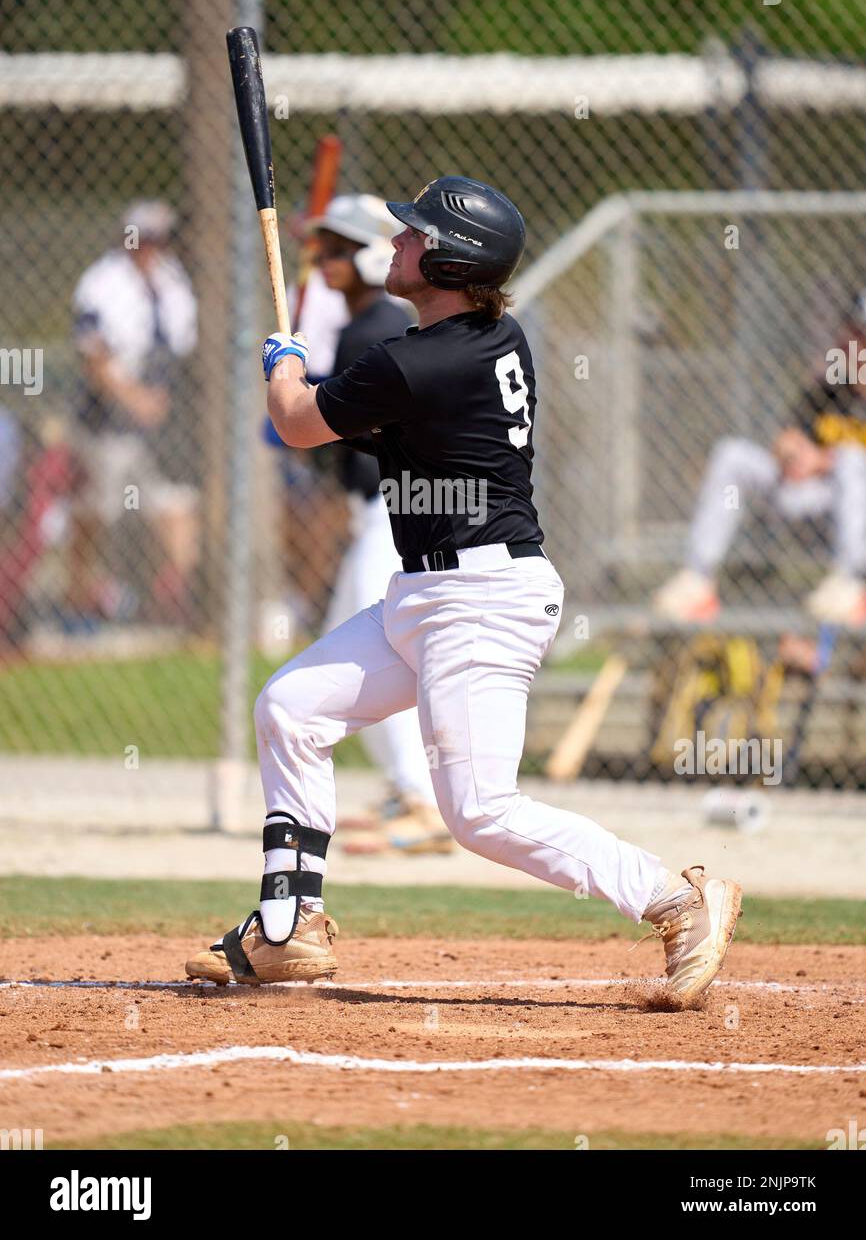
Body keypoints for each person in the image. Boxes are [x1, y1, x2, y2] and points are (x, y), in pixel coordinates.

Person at [187, 175, 741, 1006]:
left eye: (413, 237)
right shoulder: (482, 338)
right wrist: (317, 371)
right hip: (428, 596)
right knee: (291, 708)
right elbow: (382, 430)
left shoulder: (426, 358)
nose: (397, 245)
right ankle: (288, 925)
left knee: (479, 813)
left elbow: (295, 424)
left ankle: (676, 899)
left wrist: (287, 363)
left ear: (449, 258)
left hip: (480, 603)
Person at [310, 193, 454, 855]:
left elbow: (335, 425)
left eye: (339, 249)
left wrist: (297, 393)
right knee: (343, 648)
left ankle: (424, 802)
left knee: (370, 654)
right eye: (324, 248)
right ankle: (408, 789)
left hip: (396, 514)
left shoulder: (374, 329)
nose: (325, 260)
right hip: (379, 510)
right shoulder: (361, 324)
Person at [655, 297, 866, 626]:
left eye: (861, 336)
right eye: (853, 333)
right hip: (805, 501)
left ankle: (852, 584)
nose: (854, 343)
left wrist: (823, 461)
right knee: (732, 453)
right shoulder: (829, 391)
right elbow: (786, 438)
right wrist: (793, 454)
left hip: (851, 517)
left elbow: (846, 465)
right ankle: (697, 579)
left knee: (851, 460)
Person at [69, 201, 199, 624]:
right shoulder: (102, 283)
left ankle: (175, 601)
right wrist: (135, 398)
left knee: (176, 503)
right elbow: (94, 355)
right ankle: (81, 600)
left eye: (162, 240)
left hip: (163, 416)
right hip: (110, 416)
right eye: (148, 240)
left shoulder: (173, 279)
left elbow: (180, 347)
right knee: (97, 510)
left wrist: (160, 399)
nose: (155, 249)